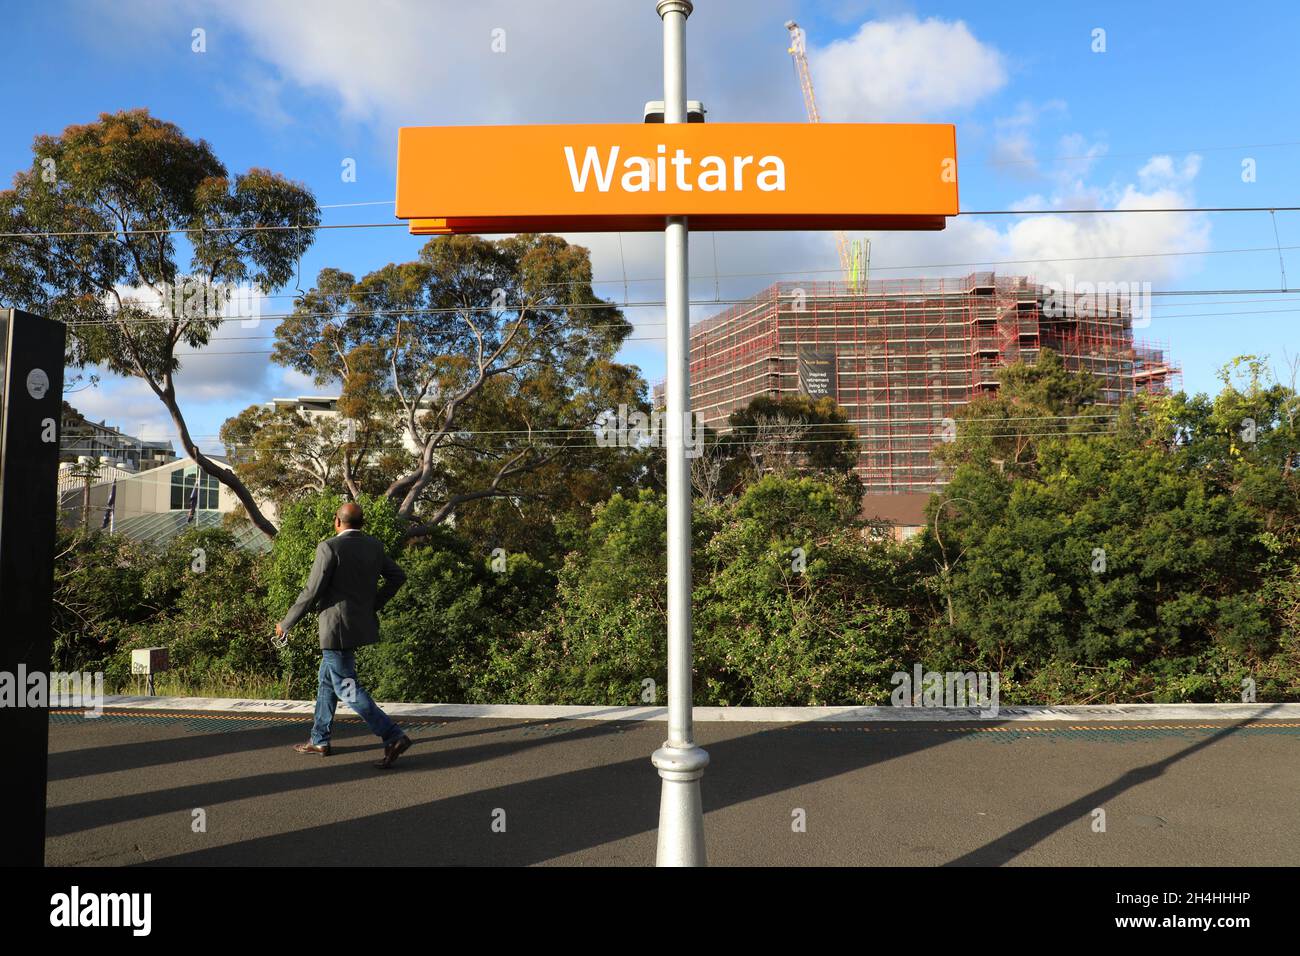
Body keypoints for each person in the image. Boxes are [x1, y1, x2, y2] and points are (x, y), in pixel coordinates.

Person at [275, 502, 412, 769]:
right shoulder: (374, 546)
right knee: (327, 681)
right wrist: (373, 603)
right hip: (358, 625)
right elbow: (398, 576)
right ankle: (320, 740)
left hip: (335, 629)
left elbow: (311, 591)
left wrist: (286, 623)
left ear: (337, 521)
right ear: (362, 523)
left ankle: (393, 735)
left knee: (347, 689)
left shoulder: (329, 547)